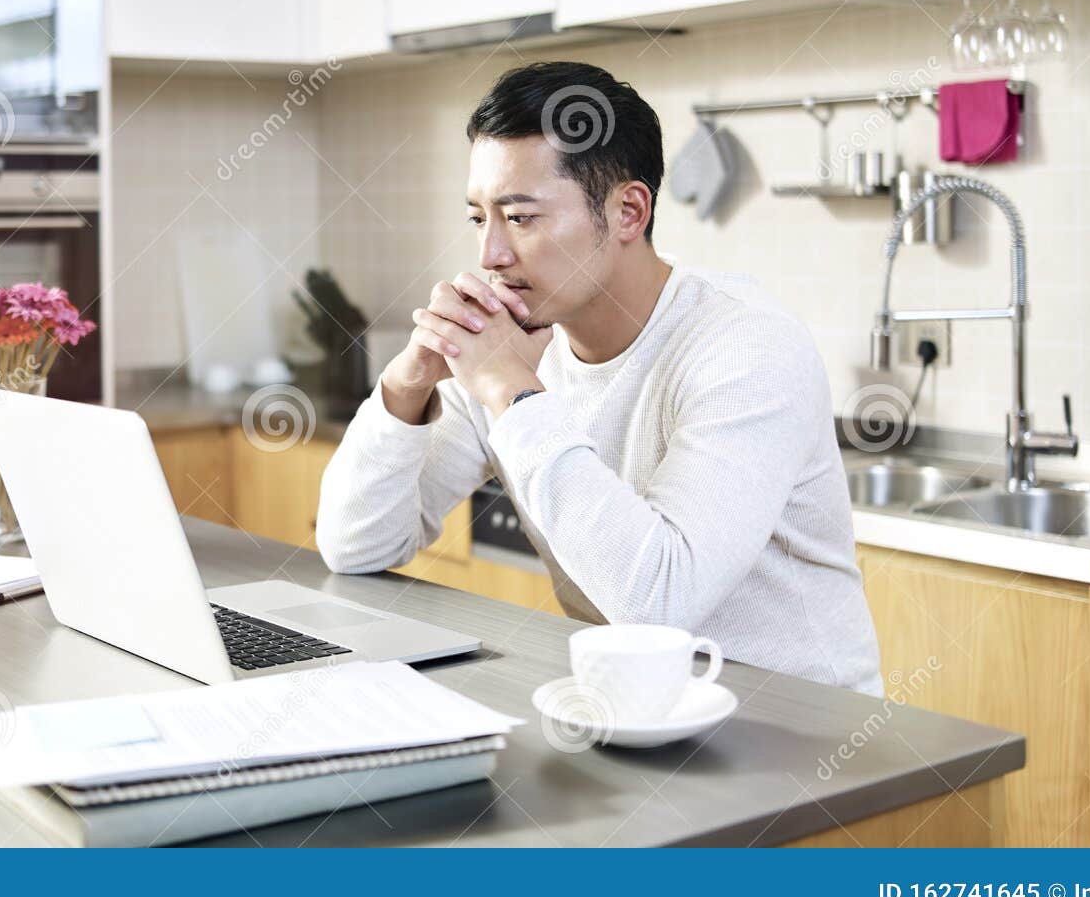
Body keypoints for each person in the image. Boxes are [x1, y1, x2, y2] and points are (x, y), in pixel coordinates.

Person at [315, 60, 882, 697]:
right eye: (480, 218)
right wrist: (406, 385)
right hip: (632, 712)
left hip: (802, 735)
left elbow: (659, 602)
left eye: (521, 217)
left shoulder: (746, 346)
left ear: (628, 213)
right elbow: (355, 547)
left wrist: (511, 393)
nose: (490, 256)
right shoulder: (516, 346)